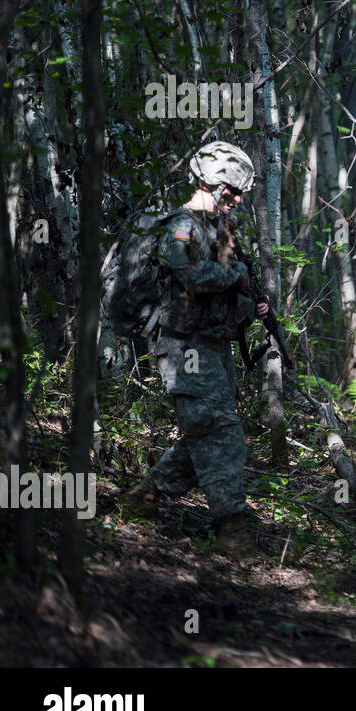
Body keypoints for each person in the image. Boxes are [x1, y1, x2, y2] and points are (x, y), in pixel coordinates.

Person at [119, 142, 270, 557]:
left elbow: (222, 294)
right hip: (185, 348)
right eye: (230, 192)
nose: (236, 201)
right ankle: (232, 531)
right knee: (221, 432)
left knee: (205, 428)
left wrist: (250, 305)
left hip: (213, 346)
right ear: (209, 183)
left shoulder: (219, 231)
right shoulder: (181, 225)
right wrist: (236, 274)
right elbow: (191, 275)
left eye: (239, 194)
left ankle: (146, 495)